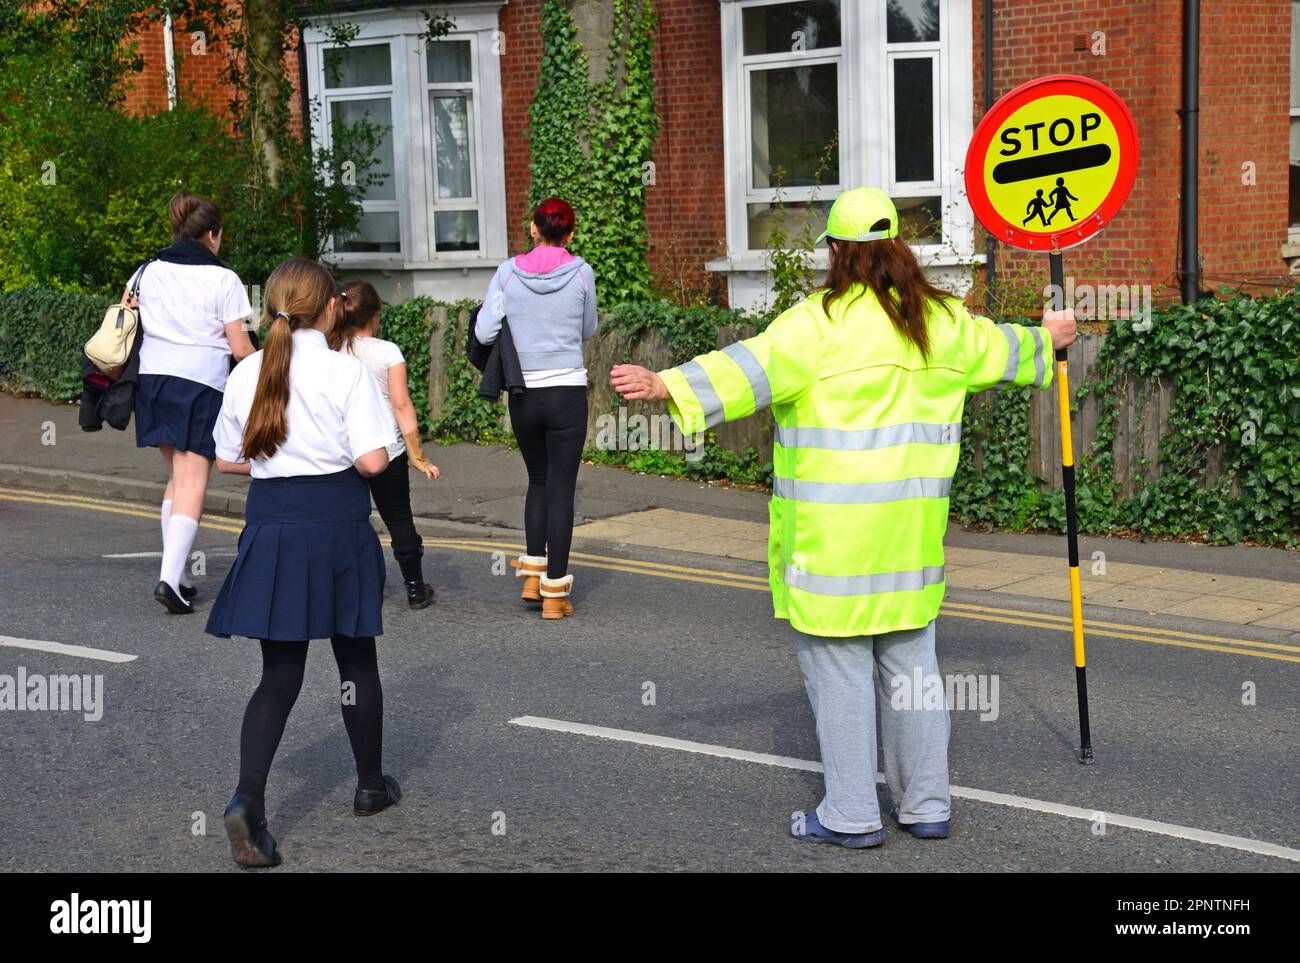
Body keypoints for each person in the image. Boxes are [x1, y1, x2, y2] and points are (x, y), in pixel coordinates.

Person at [611, 187, 1075, 848]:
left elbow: (745, 369)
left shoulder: (815, 325)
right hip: (910, 548)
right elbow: (1009, 350)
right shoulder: (942, 321)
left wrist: (669, 384)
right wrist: (1050, 338)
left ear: (835, 250)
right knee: (913, 673)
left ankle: (852, 813)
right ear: (899, 249)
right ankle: (926, 804)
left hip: (832, 553)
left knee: (842, 678)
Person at [206, 257, 402, 869]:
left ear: (270, 310)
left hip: (273, 523)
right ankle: (370, 785)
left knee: (279, 675)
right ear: (331, 308)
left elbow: (228, 460)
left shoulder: (249, 373)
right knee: (355, 655)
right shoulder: (346, 373)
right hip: (337, 523)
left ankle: (248, 797)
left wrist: (276, 458)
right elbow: (372, 463)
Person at [130, 191, 256, 614]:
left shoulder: (146, 272)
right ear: (212, 235)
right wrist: (274, 365)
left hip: (152, 382)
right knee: (193, 482)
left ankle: (179, 572)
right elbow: (240, 348)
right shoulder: (224, 280)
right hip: (199, 383)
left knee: (175, 479)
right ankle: (169, 580)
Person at [475, 197, 598, 619]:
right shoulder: (582, 273)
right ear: (570, 233)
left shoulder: (507, 274)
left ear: (532, 228)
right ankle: (554, 596)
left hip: (522, 392)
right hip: (566, 392)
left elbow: (485, 329)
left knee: (538, 481)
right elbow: (588, 329)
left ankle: (532, 577)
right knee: (563, 489)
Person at [331, 281, 441, 609]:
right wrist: (418, 455)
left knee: (348, 520)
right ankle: (414, 589)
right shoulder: (388, 352)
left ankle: (353, 589)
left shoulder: (330, 350)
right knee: (398, 518)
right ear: (375, 315)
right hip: (385, 449)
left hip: (343, 449)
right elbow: (402, 405)